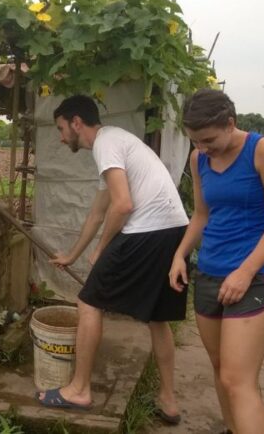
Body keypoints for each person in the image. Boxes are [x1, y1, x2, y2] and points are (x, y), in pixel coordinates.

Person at [37, 95, 189, 425]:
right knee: (158, 317)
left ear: (77, 123)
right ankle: (169, 400)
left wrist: (102, 250)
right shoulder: (116, 144)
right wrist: (73, 255)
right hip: (173, 231)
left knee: (89, 303)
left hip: (146, 232)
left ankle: (79, 389)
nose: (61, 138)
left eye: (62, 129)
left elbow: (122, 205)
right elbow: (97, 213)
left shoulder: (106, 144)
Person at [168, 89, 264, 434]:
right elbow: (201, 214)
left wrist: (245, 270)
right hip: (209, 274)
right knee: (221, 369)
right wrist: (180, 255)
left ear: (230, 123)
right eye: (196, 142)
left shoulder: (263, 151)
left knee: (238, 379)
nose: (203, 148)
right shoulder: (200, 160)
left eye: (208, 140)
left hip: (254, 277)